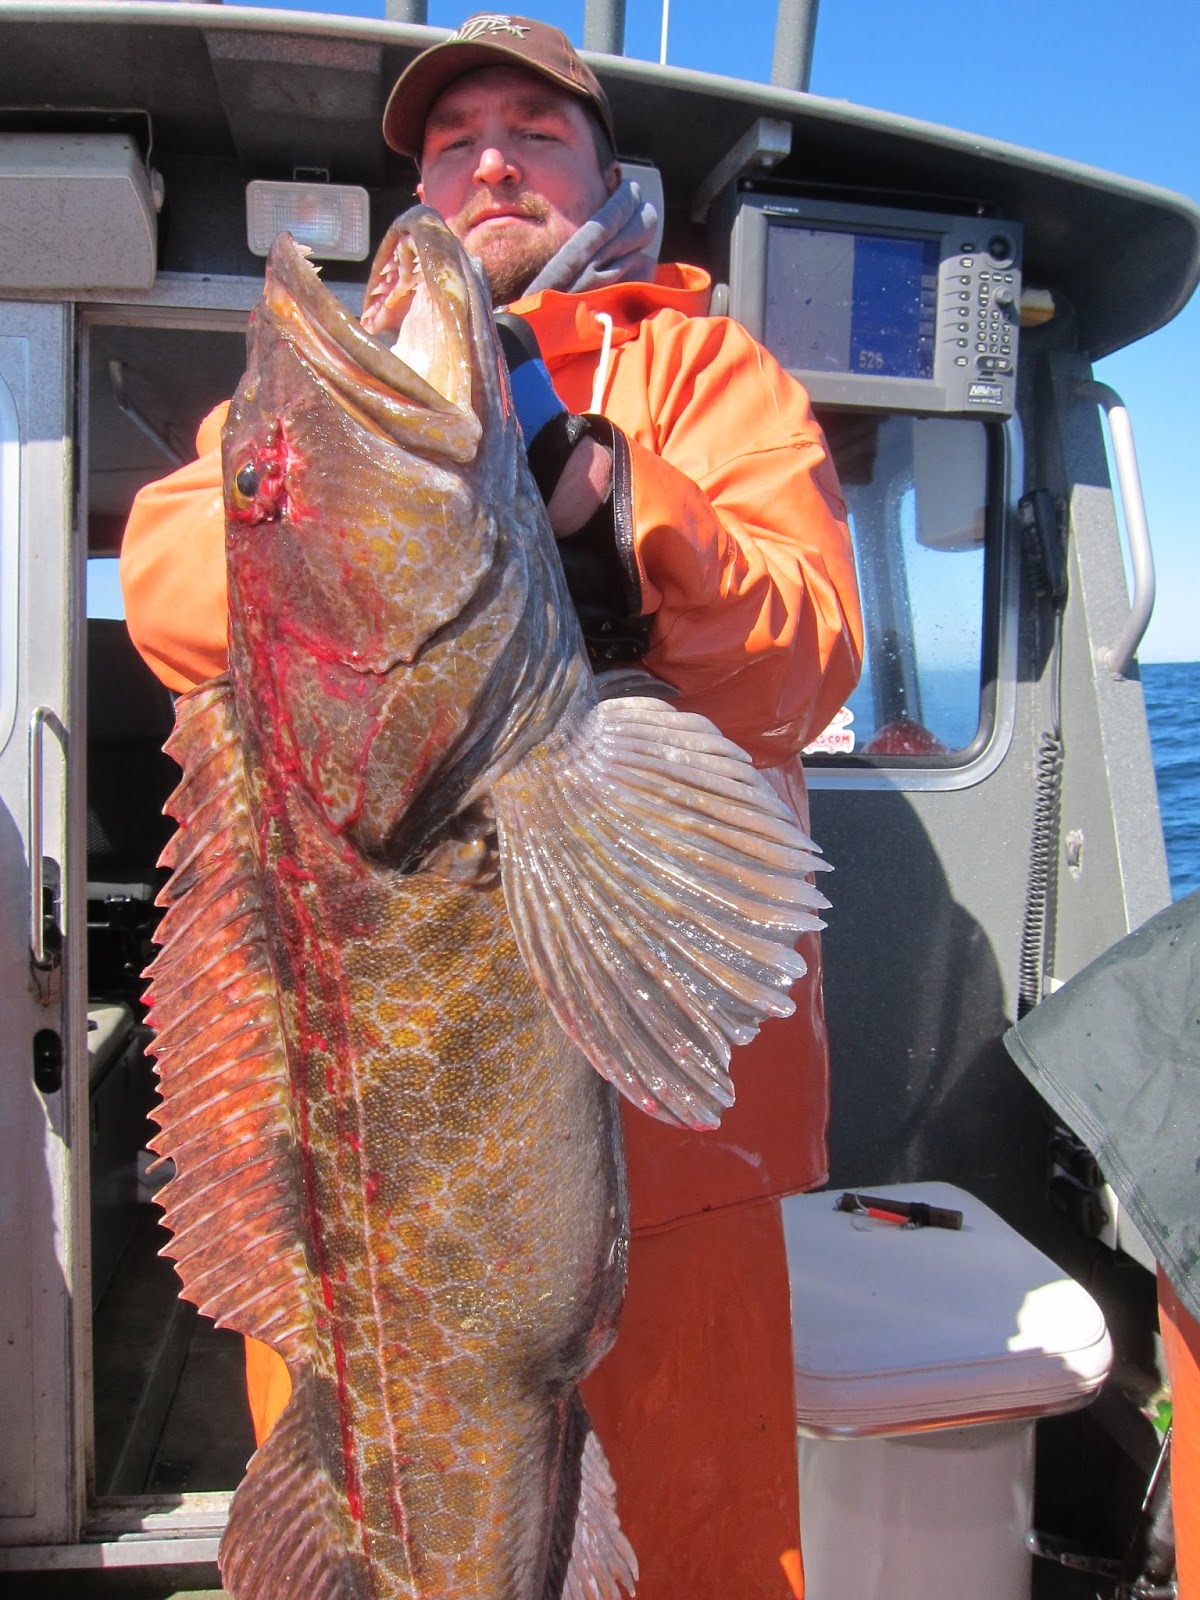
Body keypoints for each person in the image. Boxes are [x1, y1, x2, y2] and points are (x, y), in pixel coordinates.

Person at [120, 16, 864, 1600]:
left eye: (537, 129)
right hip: (354, 1236)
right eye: (454, 140)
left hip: (683, 1151)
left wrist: (626, 522)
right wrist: (348, 508)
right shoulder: (306, 414)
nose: (491, 158)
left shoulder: (701, 371)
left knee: (702, 1562)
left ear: (609, 176)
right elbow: (177, 583)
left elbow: (810, 647)